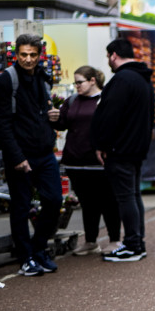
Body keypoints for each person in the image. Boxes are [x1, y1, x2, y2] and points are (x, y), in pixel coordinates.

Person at [0, 34, 63, 276]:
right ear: (16, 54)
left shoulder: (44, 78)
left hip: (44, 153)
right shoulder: (6, 81)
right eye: (24, 54)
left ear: (39, 54)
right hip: (20, 155)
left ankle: (39, 249)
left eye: (33, 55)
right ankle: (25, 258)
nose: (28, 59)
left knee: (54, 200)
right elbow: (1, 124)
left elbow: (43, 113)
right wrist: (16, 157)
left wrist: (55, 117)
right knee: (21, 207)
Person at [91, 39, 155, 263]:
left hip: (120, 149)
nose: (108, 61)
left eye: (109, 56)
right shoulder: (143, 79)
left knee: (126, 197)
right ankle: (138, 241)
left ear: (114, 55)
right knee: (134, 196)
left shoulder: (121, 80)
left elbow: (110, 116)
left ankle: (132, 245)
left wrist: (102, 145)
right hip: (136, 148)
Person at [53, 66, 121, 255]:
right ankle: (90, 241)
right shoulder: (72, 101)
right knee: (87, 202)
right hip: (75, 160)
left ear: (93, 81)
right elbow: (63, 124)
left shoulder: (105, 100)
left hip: (99, 161)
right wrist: (54, 118)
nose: (77, 86)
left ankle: (114, 239)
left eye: (80, 82)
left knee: (108, 201)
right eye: (75, 82)